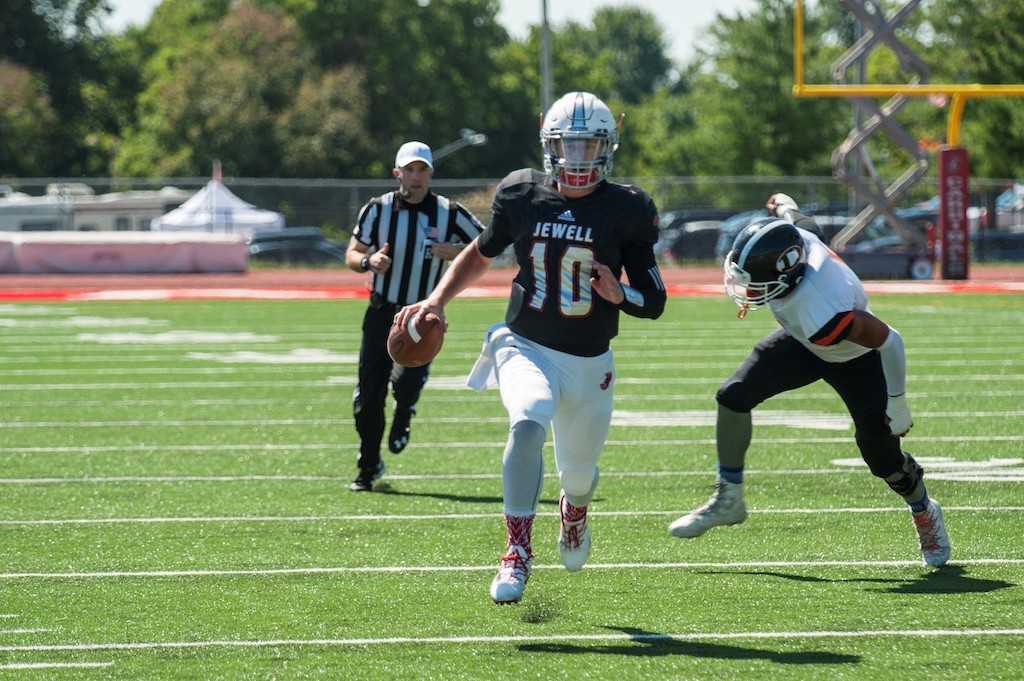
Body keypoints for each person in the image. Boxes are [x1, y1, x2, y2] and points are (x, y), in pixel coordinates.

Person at [394, 91, 667, 603]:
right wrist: (435, 300)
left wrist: (620, 293)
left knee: (580, 477)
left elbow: (653, 300)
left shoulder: (627, 209)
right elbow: (480, 254)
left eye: (590, 147)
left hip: (590, 362)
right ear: (550, 143)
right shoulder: (523, 193)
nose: (579, 159)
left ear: (608, 147)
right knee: (527, 419)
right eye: (570, 146)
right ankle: (516, 552)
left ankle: (575, 510)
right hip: (526, 344)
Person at [668, 193, 951, 568]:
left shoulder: (821, 305)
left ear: (786, 274)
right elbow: (802, 222)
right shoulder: (797, 243)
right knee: (734, 395)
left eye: (754, 280)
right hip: (806, 341)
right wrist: (784, 205)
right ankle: (730, 498)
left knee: (883, 458)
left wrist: (897, 402)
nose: (746, 288)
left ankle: (924, 510)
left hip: (854, 356)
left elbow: (889, 340)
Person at [345, 141, 485, 492]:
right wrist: (368, 261)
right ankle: (368, 464)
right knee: (368, 398)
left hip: (423, 316)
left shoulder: (449, 211)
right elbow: (352, 252)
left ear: (431, 173)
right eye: (411, 169)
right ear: (398, 173)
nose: (417, 175)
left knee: (406, 383)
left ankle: (405, 411)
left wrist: (455, 251)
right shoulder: (376, 209)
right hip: (381, 312)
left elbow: (489, 244)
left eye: (423, 169)